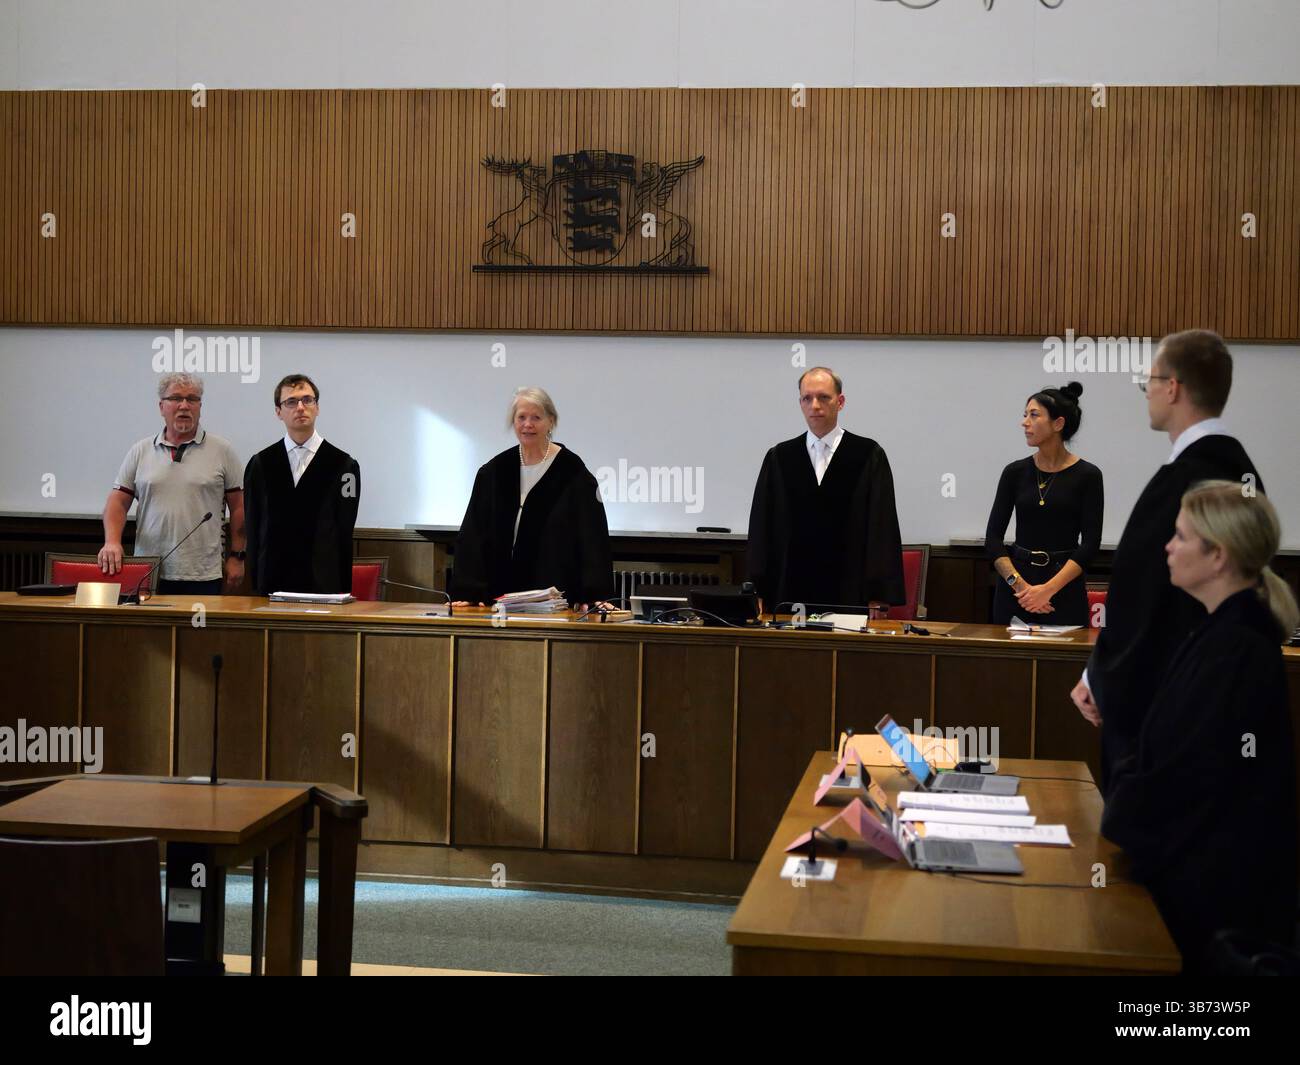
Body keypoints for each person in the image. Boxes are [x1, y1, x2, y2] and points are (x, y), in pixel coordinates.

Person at [1101, 482, 1298, 973]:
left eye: (1181, 537)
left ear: (1218, 556)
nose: (1168, 547)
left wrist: (1121, 814)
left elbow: (1185, 773)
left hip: (1210, 893)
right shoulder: (1219, 632)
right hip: (1197, 872)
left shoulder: (1235, 648)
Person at [1070, 330, 1263, 790]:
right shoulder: (1239, 469)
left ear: (1172, 387)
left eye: (1148, 382)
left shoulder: (1192, 477)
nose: (1148, 393)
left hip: (1168, 704)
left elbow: (1145, 593)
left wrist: (1101, 677)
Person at [747, 367, 904, 616]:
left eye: (824, 397)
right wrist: (757, 589)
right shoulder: (780, 457)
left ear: (840, 402)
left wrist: (879, 594)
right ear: (799, 403)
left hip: (849, 593)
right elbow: (762, 528)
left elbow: (881, 528)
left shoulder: (867, 455)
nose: (815, 405)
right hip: (789, 593)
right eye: (807, 398)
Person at [451, 387, 613, 611]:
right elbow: (473, 534)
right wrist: (470, 590)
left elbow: (592, 538)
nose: (528, 424)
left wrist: (594, 593)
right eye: (521, 417)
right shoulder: (495, 472)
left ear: (551, 422)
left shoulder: (573, 473)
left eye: (536, 417)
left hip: (555, 600)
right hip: (499, 599)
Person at [98, 373, 245, 596]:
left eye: (192, 399)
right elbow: (117, 502)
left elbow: (239, 507)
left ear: (200, 406)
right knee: (148, 632)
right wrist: (112, 542)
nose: (184, 405)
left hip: (203, 573)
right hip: (148, 571)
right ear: (161, 406)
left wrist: (237, 556)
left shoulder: (222, 451)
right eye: (176, 398)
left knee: (199, 631)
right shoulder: (141, 451)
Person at [984, 381, 1103, 626]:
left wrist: (1047, 590)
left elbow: (1090, 544)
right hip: (1016, 588)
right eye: (1025, 414)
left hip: (1063, 588)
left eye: (1034, 415)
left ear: (1058, 423)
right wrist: (1021, 587)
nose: (1024, 422)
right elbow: (993, 539)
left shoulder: (1088, 475)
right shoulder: (1014, 472)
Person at [243, 374, 361, 595]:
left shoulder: (346, 467)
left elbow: (345, 529)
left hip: (323, 584)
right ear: (278, 412)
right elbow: (253, 525)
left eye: (307, 400)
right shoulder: (260, 464)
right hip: (272, 583)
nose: (300, 407)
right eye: (291, 401)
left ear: (317, 407)